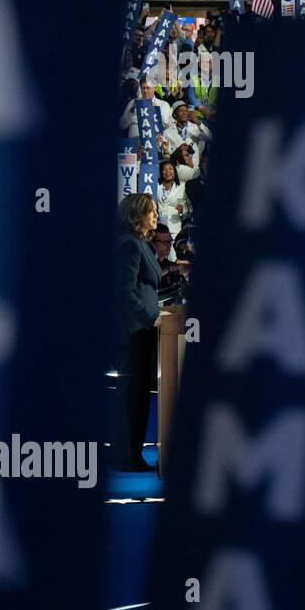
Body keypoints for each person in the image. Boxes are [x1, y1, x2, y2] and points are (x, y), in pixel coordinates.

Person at [111, 194, 162, 472]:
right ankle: (125, 457)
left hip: (145, 332)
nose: (155, 215)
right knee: (131, 395)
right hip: (134, 332)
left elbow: (148, 288)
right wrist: (149, 317)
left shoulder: (144, 244)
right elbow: (124, 293)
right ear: (136, 214)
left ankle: (132, 455)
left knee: (140, 395)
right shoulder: (129, 244)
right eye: (151, 211)